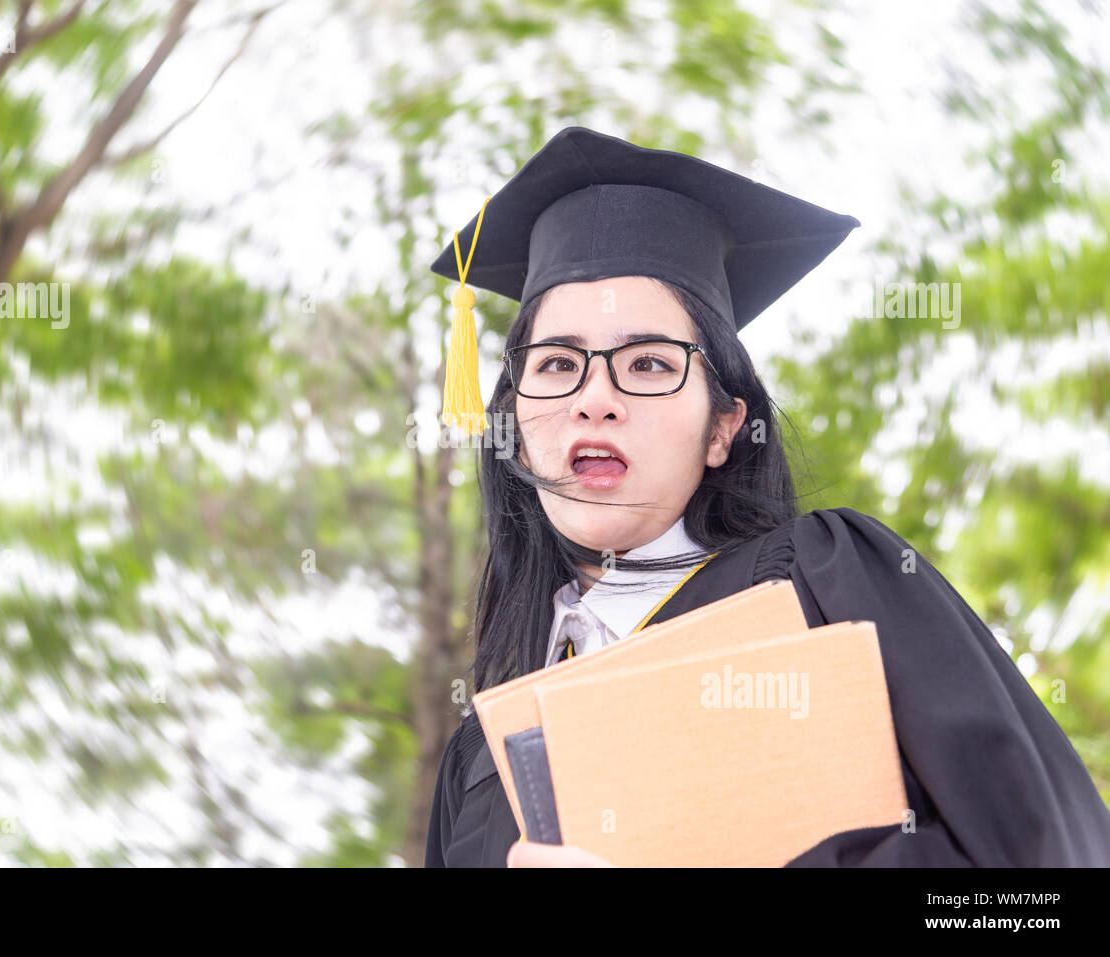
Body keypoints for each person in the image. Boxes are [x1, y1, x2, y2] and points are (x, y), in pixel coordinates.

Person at [421, 126, 1110, 867]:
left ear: (723, 428)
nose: (595, 398)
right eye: (556, 363)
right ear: (516, 429)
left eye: (649, 362)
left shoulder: (822, 583)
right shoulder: (477, 758)